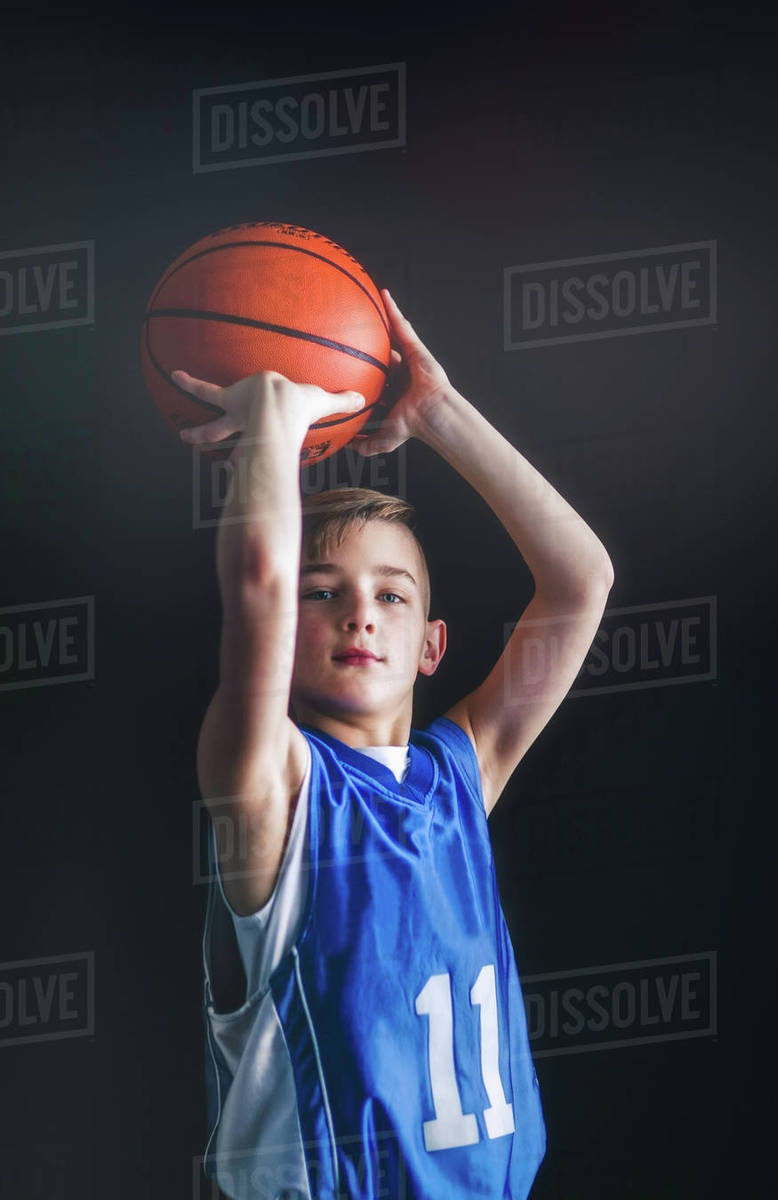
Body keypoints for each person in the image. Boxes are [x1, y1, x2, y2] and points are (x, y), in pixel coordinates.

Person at [174, 288, 614, 1199]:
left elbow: (581, 582)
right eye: (323, 592)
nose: (358, 616)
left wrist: (437, 412)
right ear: (283, 635)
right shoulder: (270, 791)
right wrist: (270, 436)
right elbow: (260, 581)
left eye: (390, 596)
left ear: (430, 646)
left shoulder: (461, 774)